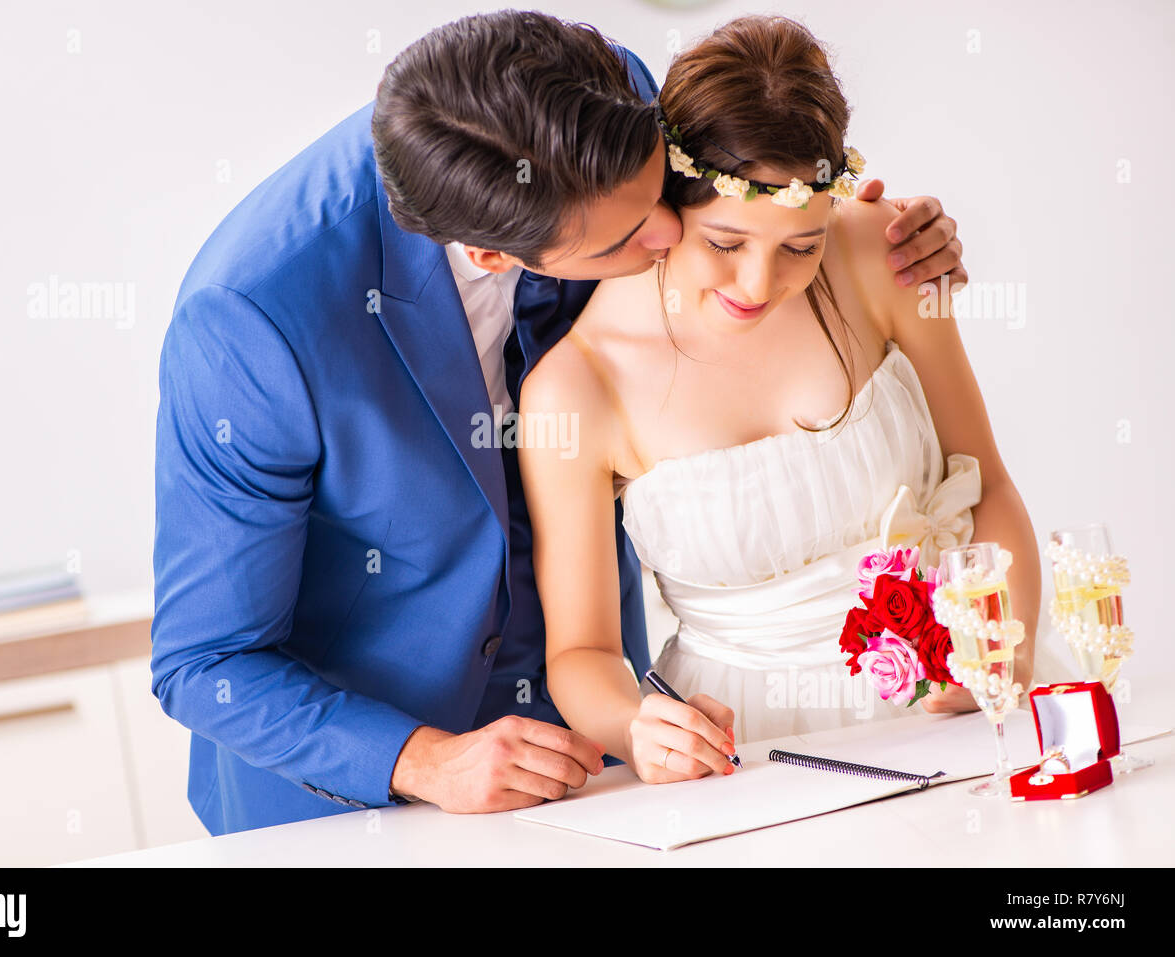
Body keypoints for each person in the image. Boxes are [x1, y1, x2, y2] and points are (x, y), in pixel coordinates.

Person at [152, 10, 971, 832]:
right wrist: (426, 758)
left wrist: (854, 236)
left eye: (664, 196)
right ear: (492, 254)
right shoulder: (252, 323)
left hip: (597, 756)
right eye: (627, 234)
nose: (668, 231)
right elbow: (205, 660)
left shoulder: (615, 108)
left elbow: (748, 203)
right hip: (361, 793)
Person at [519, 14, 1037, 784]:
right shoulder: (577, 386)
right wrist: (634, 724)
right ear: (666, 203)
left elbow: (987, 481)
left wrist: (1006, 649)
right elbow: (580, 654)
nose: (759, 285)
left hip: (953, 704)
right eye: (725, 244)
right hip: (747, 753)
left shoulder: (877, 250)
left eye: (802, 246)